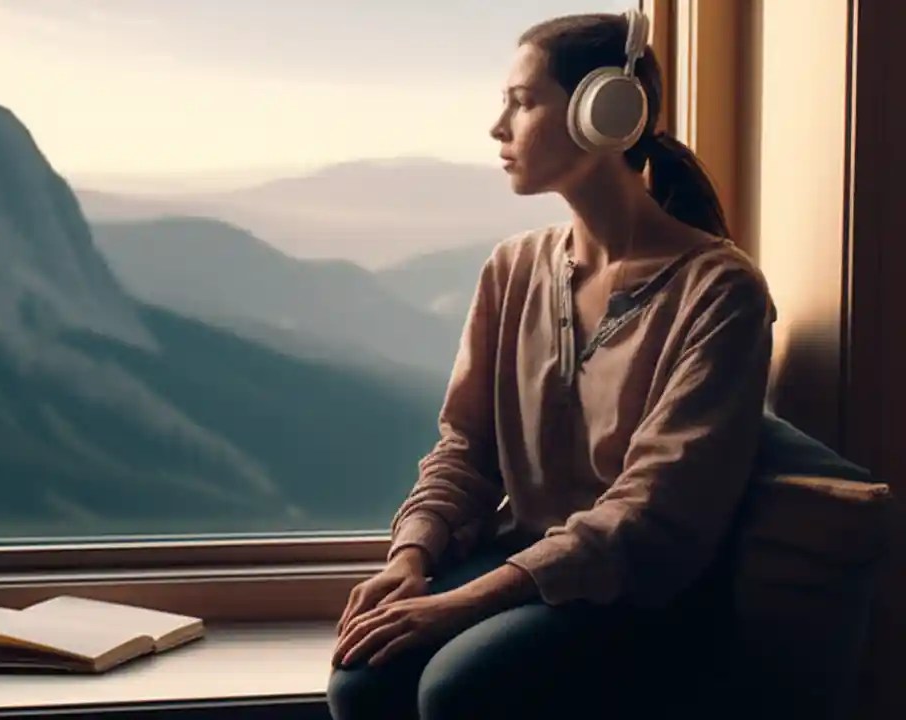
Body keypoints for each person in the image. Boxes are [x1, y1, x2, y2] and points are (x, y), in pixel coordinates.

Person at [327, 10, 775, 720]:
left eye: (523, 101)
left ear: (607, 113)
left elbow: (650, 516)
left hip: (643, 600)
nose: (497, 127)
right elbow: (465, 451)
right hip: (528, 570)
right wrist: (411, 556)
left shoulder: (720, 292)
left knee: (458, 688)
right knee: (361, 678)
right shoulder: (513, 269)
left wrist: (463, 602)